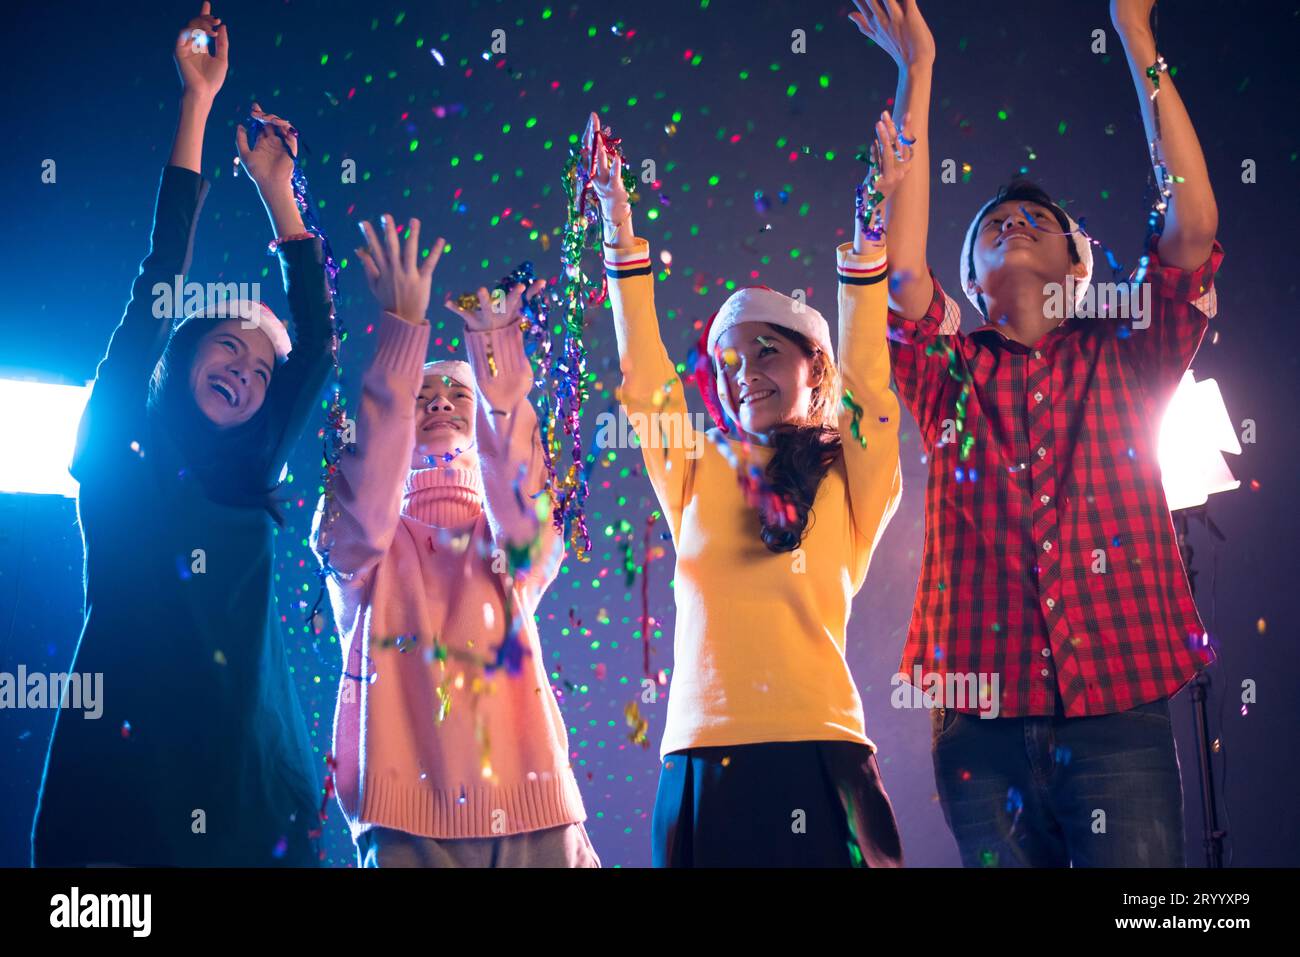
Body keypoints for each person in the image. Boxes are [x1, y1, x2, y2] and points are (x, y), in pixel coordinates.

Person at [853, 0, 1222, 866]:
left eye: (1036, 219)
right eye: (992, 225)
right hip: (979, 728)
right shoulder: (947, 375)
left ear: (1076, 266)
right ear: (973, 280)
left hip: (1119, 713)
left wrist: (1136, 36)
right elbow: (900, 275)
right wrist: (917, 69)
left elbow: (1195, 225)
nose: (1013, 222)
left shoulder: (1131, 350)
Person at [32, 3, 333, 866]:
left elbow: (315, 349)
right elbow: (158, 276)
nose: (246, 370)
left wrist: (278, 192)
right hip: (122, 795)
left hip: (251, 799)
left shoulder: (252, 469)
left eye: (261, 371)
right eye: (229, 347)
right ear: (184, 355)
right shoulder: (116, 455)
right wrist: (197, 102)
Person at [587, 107, 909, 867]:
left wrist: (870, 234)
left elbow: (871, 386)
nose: (745, 375)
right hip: (702, 761)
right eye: (729, 364)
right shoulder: (694, 465)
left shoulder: (850, 471)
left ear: (814, 368)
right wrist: (617, 221)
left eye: (766, 352)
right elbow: (645, 379)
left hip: (822, 755)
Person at [311, 214, 598, 867]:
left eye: (457, 393)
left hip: (537, 819)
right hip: (406, 828)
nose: (439, 401)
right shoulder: (362, 542)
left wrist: (495, 356)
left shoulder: (508, 540)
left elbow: (522, 505)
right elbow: (365, 506)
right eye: (423, 393)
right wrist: (400, 334)